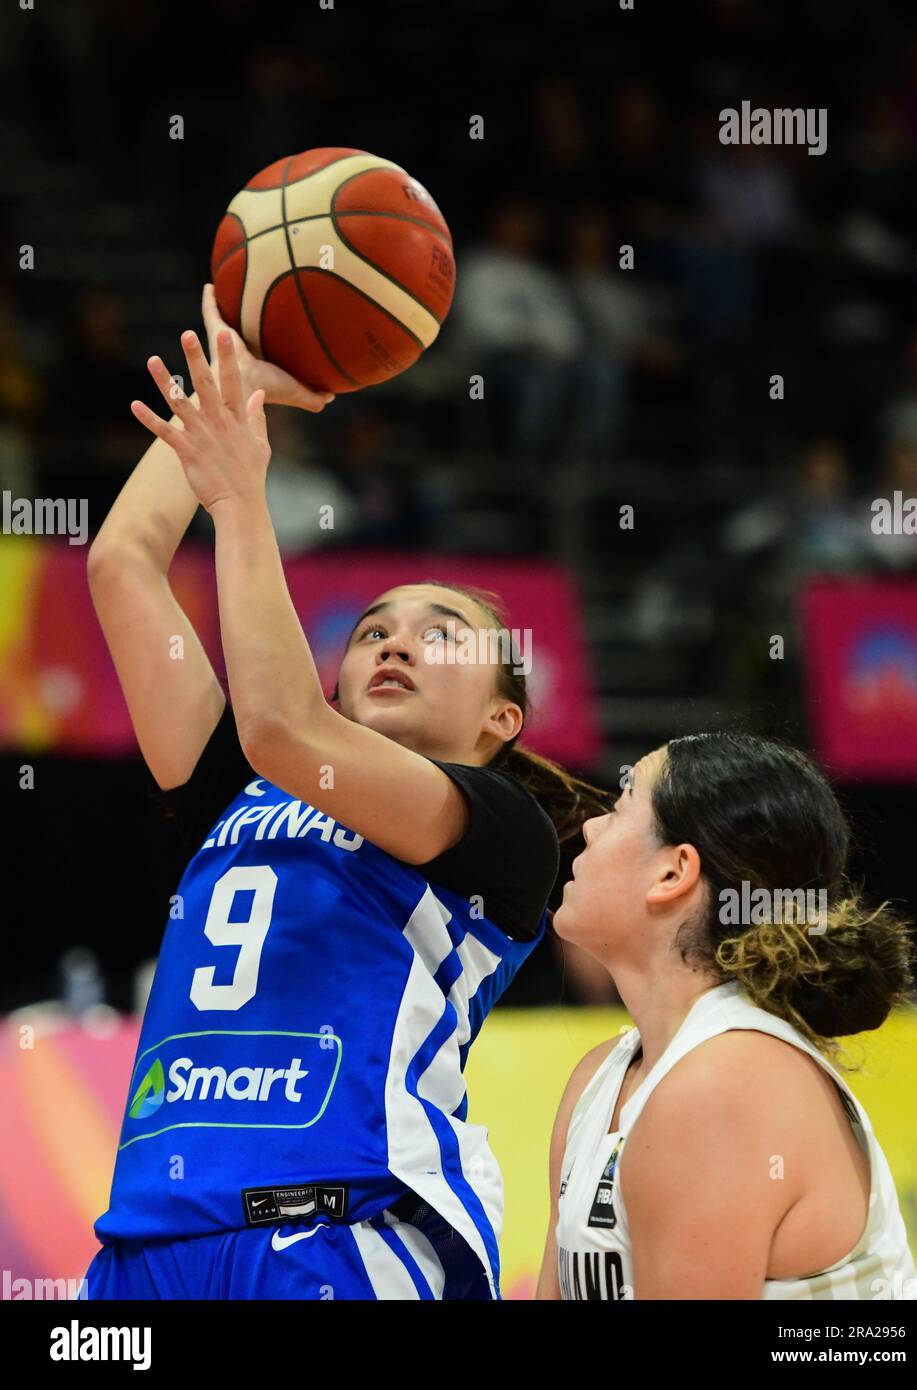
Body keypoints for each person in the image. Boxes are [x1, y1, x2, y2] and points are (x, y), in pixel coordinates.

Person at [84, 287, 610, 1300]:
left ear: (502, 722)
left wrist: (241, 498)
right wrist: (232, 386)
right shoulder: (236, 781)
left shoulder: (496, 831)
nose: (397, 639)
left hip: (342, 1236)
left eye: (441, 632)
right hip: (147, 1247)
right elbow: (122, 564)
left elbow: (286, 728)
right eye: (373, 629)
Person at [537, 734, 917, 1301]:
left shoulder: (721, 1083)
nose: (591, 828)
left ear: (673, 873)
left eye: (619, 807)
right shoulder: (599, 1078)